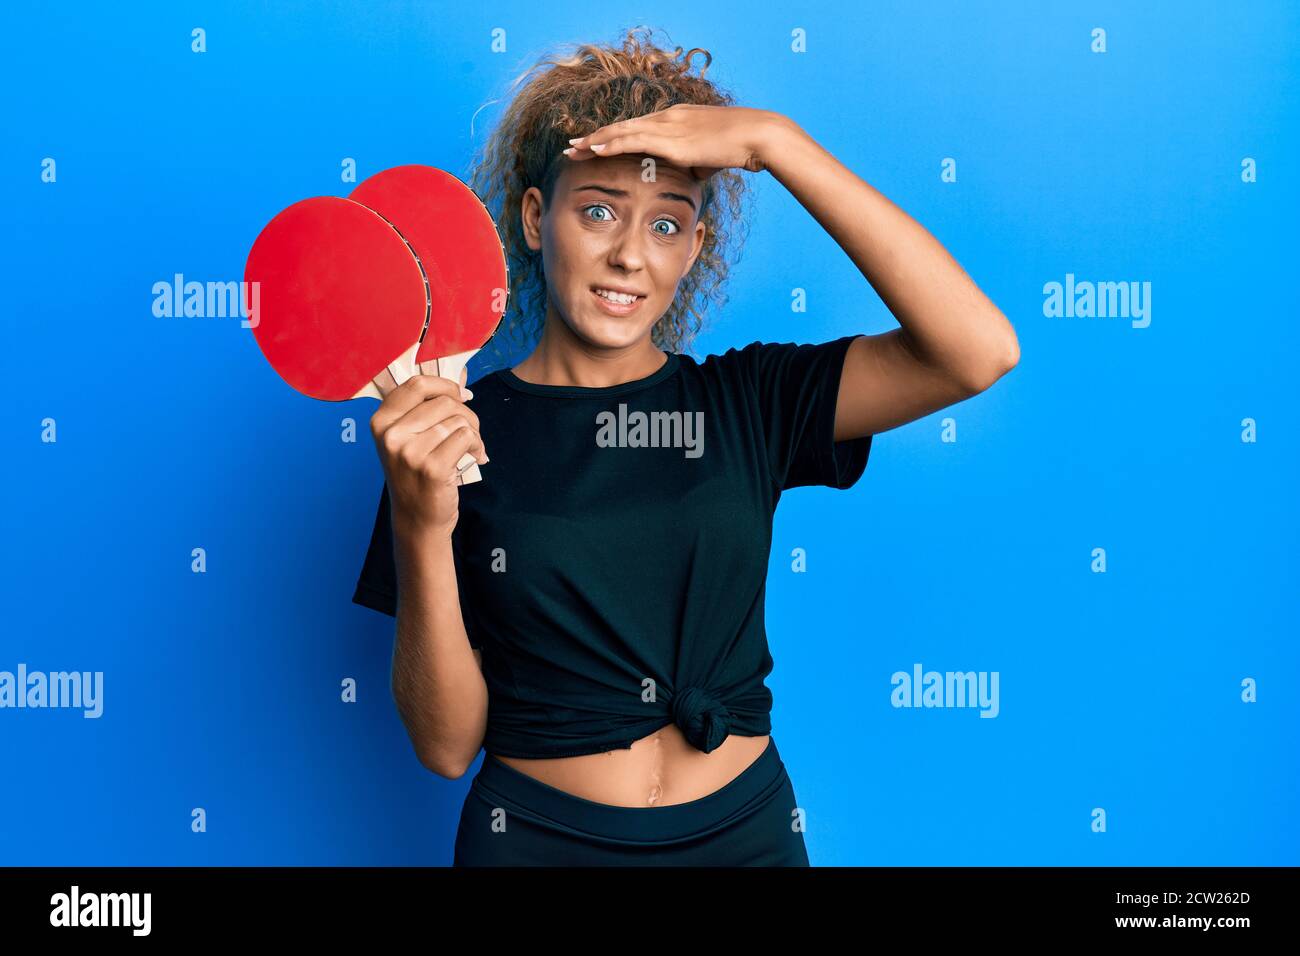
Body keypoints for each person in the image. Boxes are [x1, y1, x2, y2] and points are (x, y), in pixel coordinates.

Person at [351, 26, 1018, 866]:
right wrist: (419, 522)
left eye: (668, 225)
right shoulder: (448, 432)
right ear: (533, 218)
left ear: (694, 248)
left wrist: (775, 142)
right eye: (598, 210)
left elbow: (978, 350)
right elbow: (445, 748)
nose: (629, 255)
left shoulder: (748, 401)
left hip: (747, 837)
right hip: (539, 844)